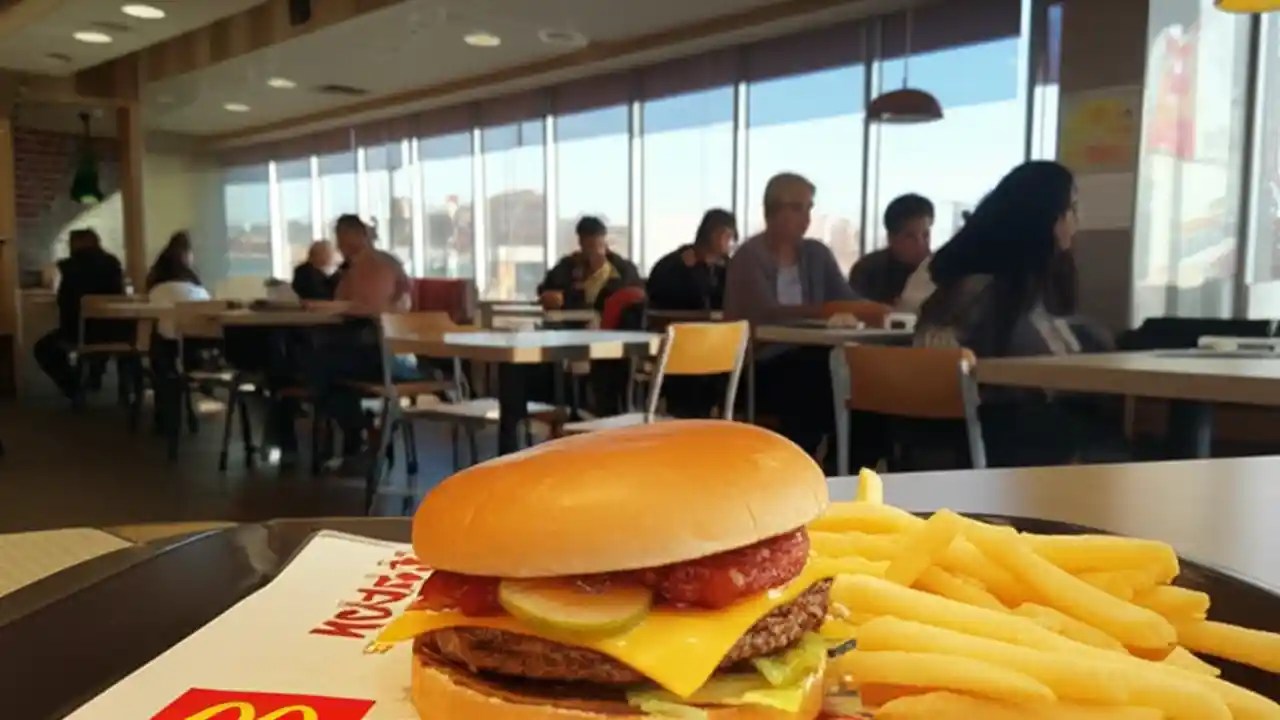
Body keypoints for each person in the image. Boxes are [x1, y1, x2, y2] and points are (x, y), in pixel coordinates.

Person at [914, 160, 1119, 466]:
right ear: (1046, 219)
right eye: (1072, 208)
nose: (1077, 221)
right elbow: (1046, 360)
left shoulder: (969, 282)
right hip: (998, 440)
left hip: (946, 441)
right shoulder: (994, 292)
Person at [724, 172, 857, 456]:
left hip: (812, 354)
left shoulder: (817, 253)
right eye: (797, 208)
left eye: (808, 208)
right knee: (817, 375)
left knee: (853, 373)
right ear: (772, 211)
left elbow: (847, 301)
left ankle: (840, 460)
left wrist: (878, 310)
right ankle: (803, 459)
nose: (806, 217)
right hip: (759, 364)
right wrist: (825, 312)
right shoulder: (749, 256)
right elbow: (765, 314)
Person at [306, 215, 415, 467]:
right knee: (318, 365)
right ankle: (362, 431)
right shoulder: (354, 267)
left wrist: (334, 308)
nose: (340, 243)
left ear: (359, 235)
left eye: (344, 236)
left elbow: (373, 308)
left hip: (386, 354)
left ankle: (360, 432)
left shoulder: (377, 265)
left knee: (316, 365)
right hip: (368, 347)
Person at [33, 229, 125, 399]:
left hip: (76, 334)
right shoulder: (113, 264)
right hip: (114, 332)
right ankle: (99, 373)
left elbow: (63, 302)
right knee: (102, 328)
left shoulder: (67, 267)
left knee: (42, 348)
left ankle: (72, 385)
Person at [539, 216, 642, 311]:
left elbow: (637, 300)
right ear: (580, 243)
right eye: (588, 247)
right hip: (572, 326)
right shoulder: (566, 268)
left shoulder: (624, 271)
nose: (593, 255)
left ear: (605, 242)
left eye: (598, 246)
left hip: (614, 328)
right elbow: (546, 290)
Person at [849, 193, 934, 305]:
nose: (921, 243)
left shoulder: (939, 269)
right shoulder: (868, 270)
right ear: (891, 239)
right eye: (910, 236)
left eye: (926, 234)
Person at [647, 209, 736, 312]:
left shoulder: (728, 269)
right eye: (729, 236)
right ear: (717, 235)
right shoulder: (672, 267)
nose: (731, 243)